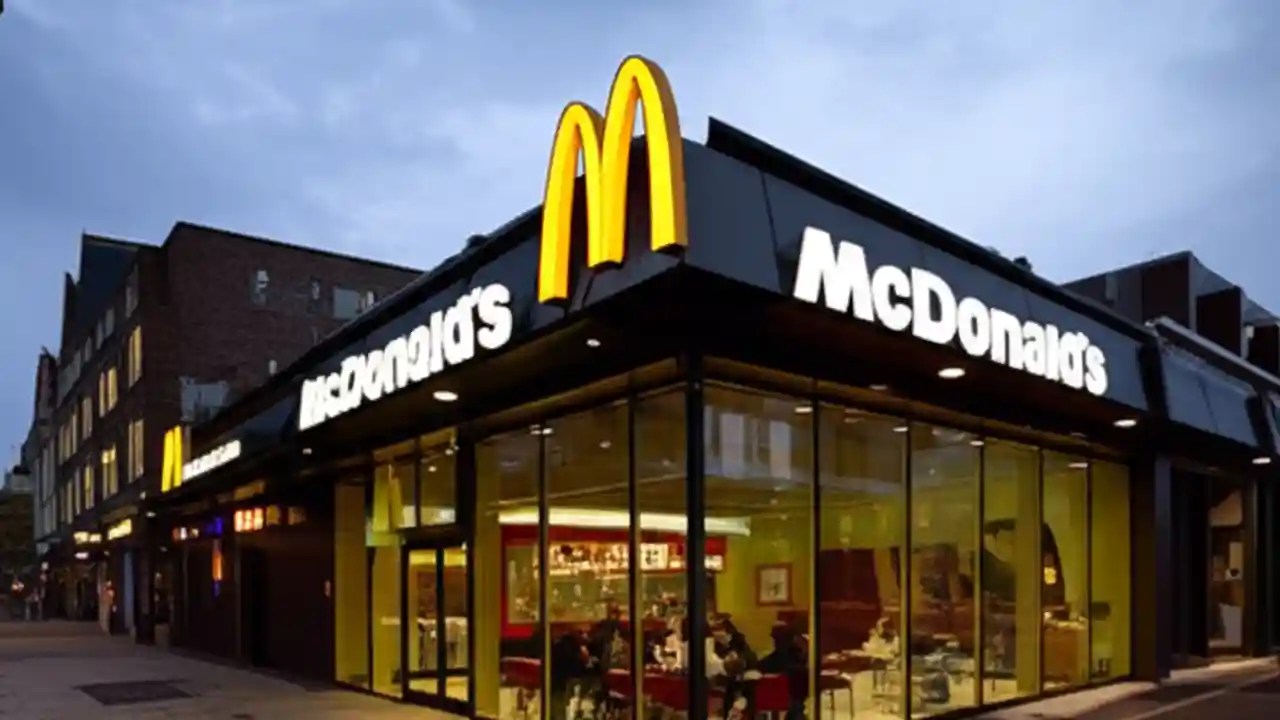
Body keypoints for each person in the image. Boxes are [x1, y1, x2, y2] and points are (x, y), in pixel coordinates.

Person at [758, 623, 808, 720]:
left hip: (787, 696)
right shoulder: (799, 653)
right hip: (795, 697)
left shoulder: (782, 656)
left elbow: (774, 661)